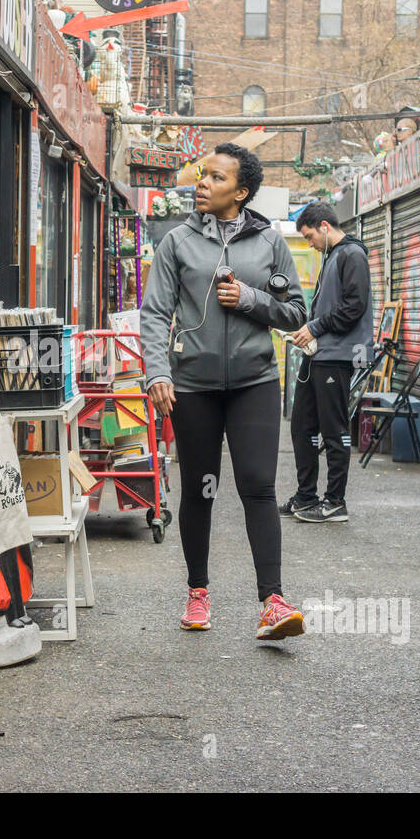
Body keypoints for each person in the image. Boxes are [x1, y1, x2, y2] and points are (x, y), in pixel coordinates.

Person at [140, 143, 309, 640]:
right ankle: (197, 594)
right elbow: (154, 313)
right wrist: (157, 373)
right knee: (199, 489)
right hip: (191, 384)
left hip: (255, 382)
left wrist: (251, 299)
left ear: (241, 191)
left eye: (215, 178)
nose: (202, 184)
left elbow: (295, 311)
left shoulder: (270, 243)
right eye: (202, 175)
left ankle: (273, 602)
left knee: (258, 486)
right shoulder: (177, 242)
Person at [283, 201, 374, 524]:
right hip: (319, 355)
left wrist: (314, 327)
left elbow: (354, 306)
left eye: (309, 237)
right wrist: (306, 330)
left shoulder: (352, 255)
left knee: (334, 431)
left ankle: (335, 502)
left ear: (324, 226)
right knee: (302, 427)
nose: (309, 244)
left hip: (337, 356)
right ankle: (306, 495)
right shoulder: (334, 256)